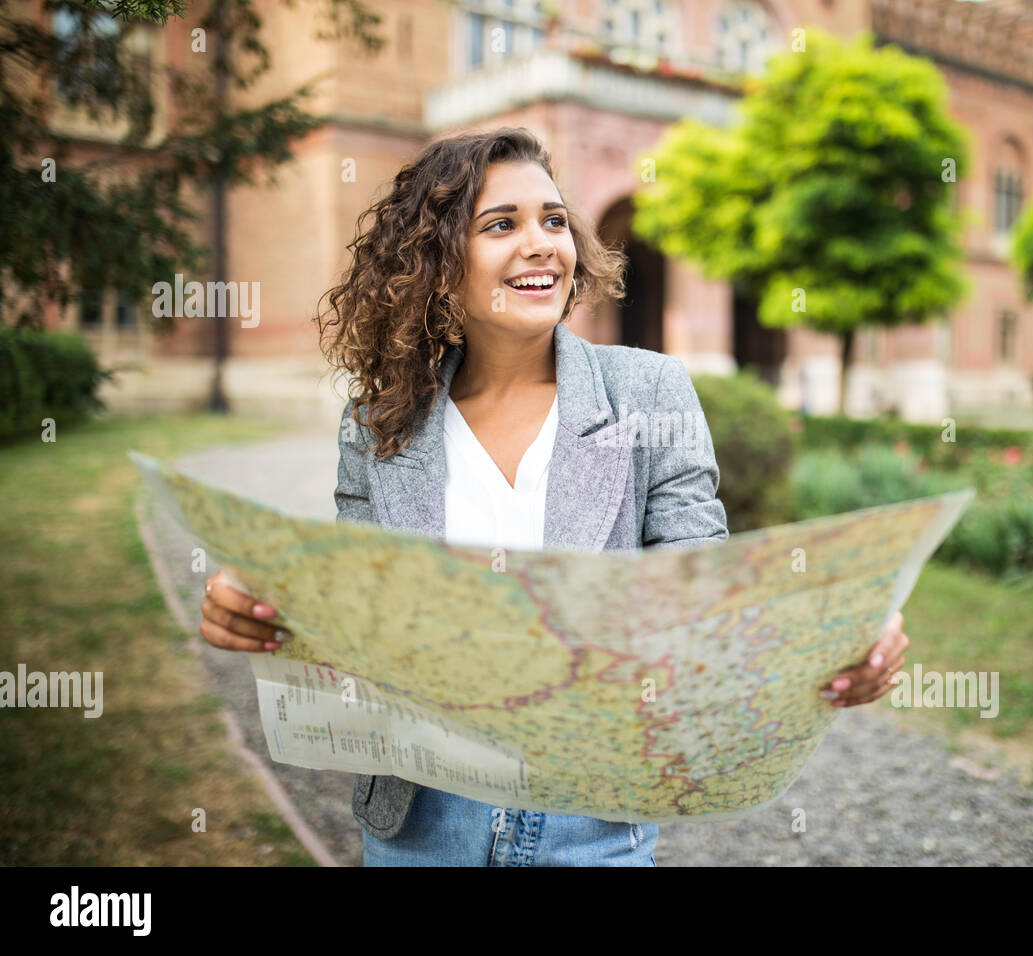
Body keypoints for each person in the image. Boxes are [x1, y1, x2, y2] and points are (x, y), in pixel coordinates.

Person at [197, 126, 909, 866]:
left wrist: (835, 635)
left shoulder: (649, 390)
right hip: (420, 825)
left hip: (591, 822)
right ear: (437, 264)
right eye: (500, 224)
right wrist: (258, 602)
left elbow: (704, 587)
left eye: (555, 219)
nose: (542, 243)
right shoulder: (377, 422)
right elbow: (356, 601)